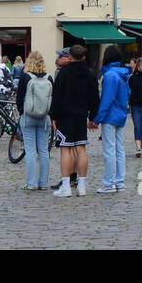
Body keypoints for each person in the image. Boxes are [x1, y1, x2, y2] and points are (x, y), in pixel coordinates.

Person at [50, 46, 99, 197]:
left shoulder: (64, 73)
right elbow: (95, 98)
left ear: (70, 56)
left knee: (66, 149)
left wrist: (54, 116)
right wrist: (92, 117)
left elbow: (56, 97)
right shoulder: (90, 74)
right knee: (81, 149)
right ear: (83, 57)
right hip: (81, 115)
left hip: (65, 116)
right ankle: (82, 186)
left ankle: (66, 186)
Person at [94, 46, 131, 193]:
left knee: (109, 150)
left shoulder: (109, 75)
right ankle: (119, 181)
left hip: (110, 116)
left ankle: (109, 183)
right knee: (119, 149)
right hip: (121, 114)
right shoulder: (123, 75)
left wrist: (97, 118)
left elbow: (106, 100)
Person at [15, 51, 53, 191]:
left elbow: (19, 98)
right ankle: (43, 183)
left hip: (29, 116)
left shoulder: (26, 77)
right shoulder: (49, 78)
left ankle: (31, 183)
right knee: (43, 151)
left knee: (30, 151)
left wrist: (21, 112)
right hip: (44, 118)